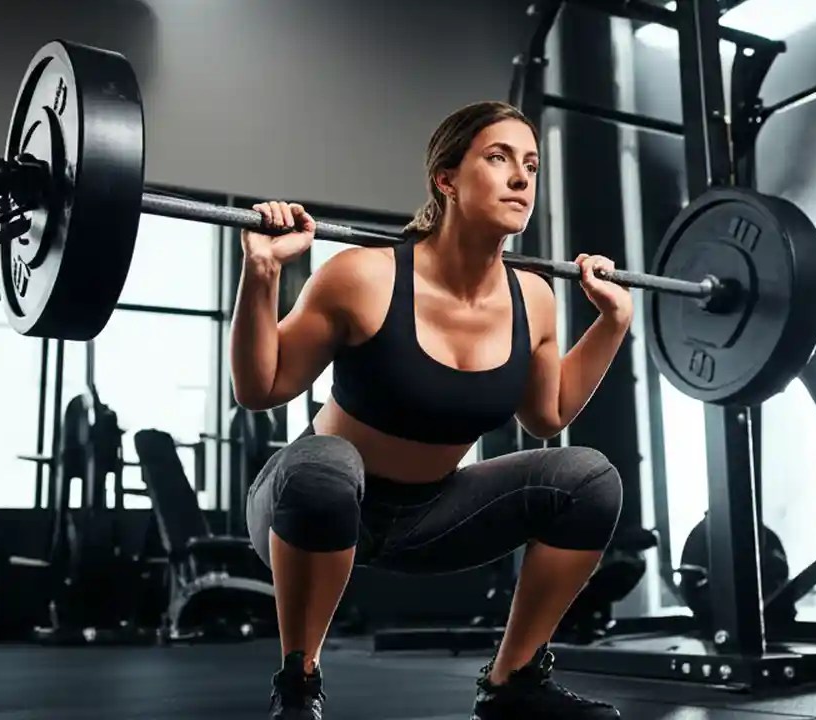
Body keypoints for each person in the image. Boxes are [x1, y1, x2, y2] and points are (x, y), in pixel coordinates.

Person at [231, 100, 632, 720]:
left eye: (530, 164)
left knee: (589, 480)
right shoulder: (362, 276)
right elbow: (262, 388)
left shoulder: (534, 296)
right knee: (326, 465)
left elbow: (547, 416)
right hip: (310, 506)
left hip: (432, 517)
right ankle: (298, 681)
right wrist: (261, 272)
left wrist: (613, 321)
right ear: (445, 179)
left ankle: (513, 684)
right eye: (498, 159)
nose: (522, 178)